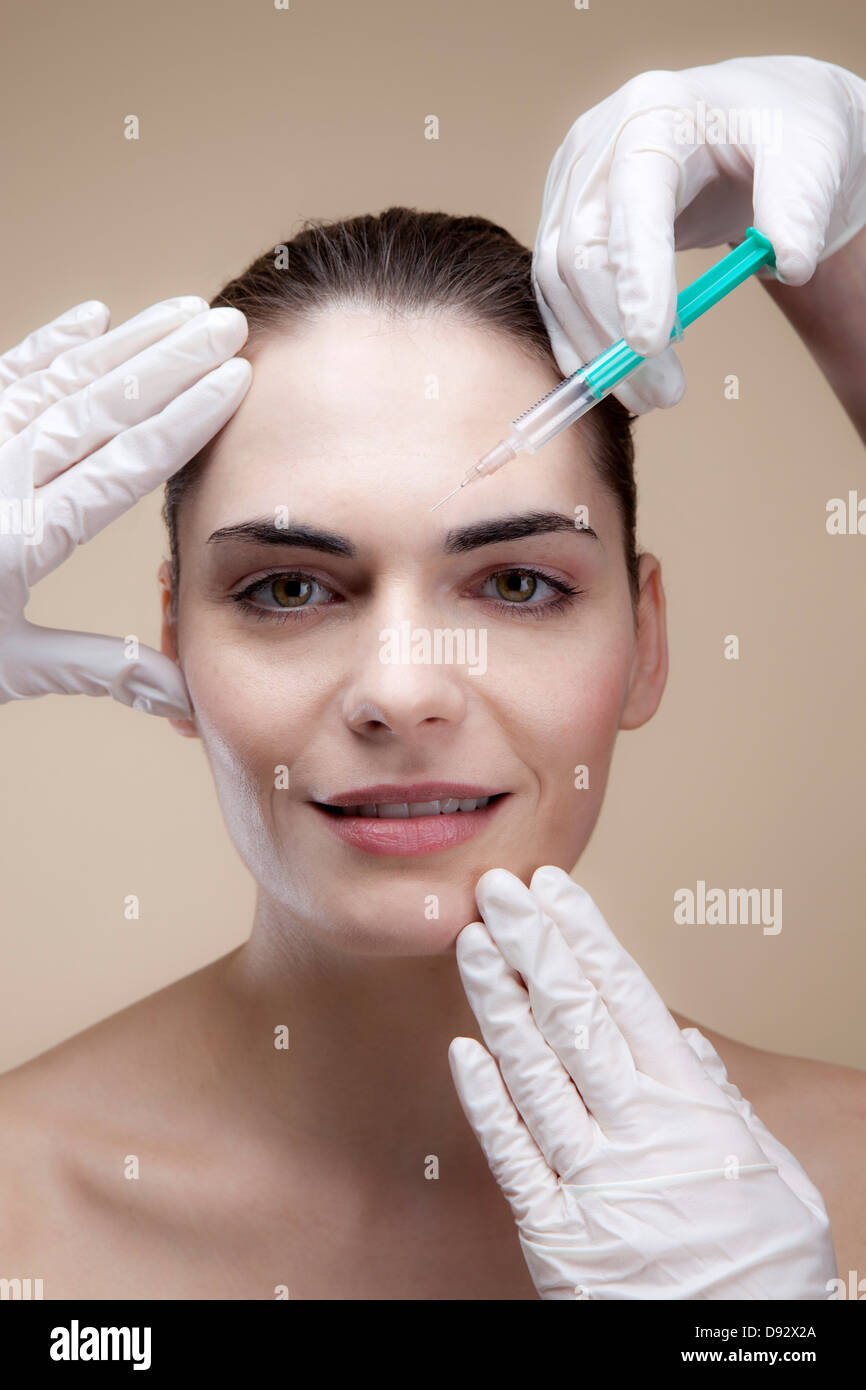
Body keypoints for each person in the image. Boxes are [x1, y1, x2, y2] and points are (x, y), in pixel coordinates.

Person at [1, 56, 865, 1300]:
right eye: (288, 588)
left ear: (646, 642)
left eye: (515, 583)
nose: (400, 693)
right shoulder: (22, 1231)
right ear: (176, 645)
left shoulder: (823, 1204)